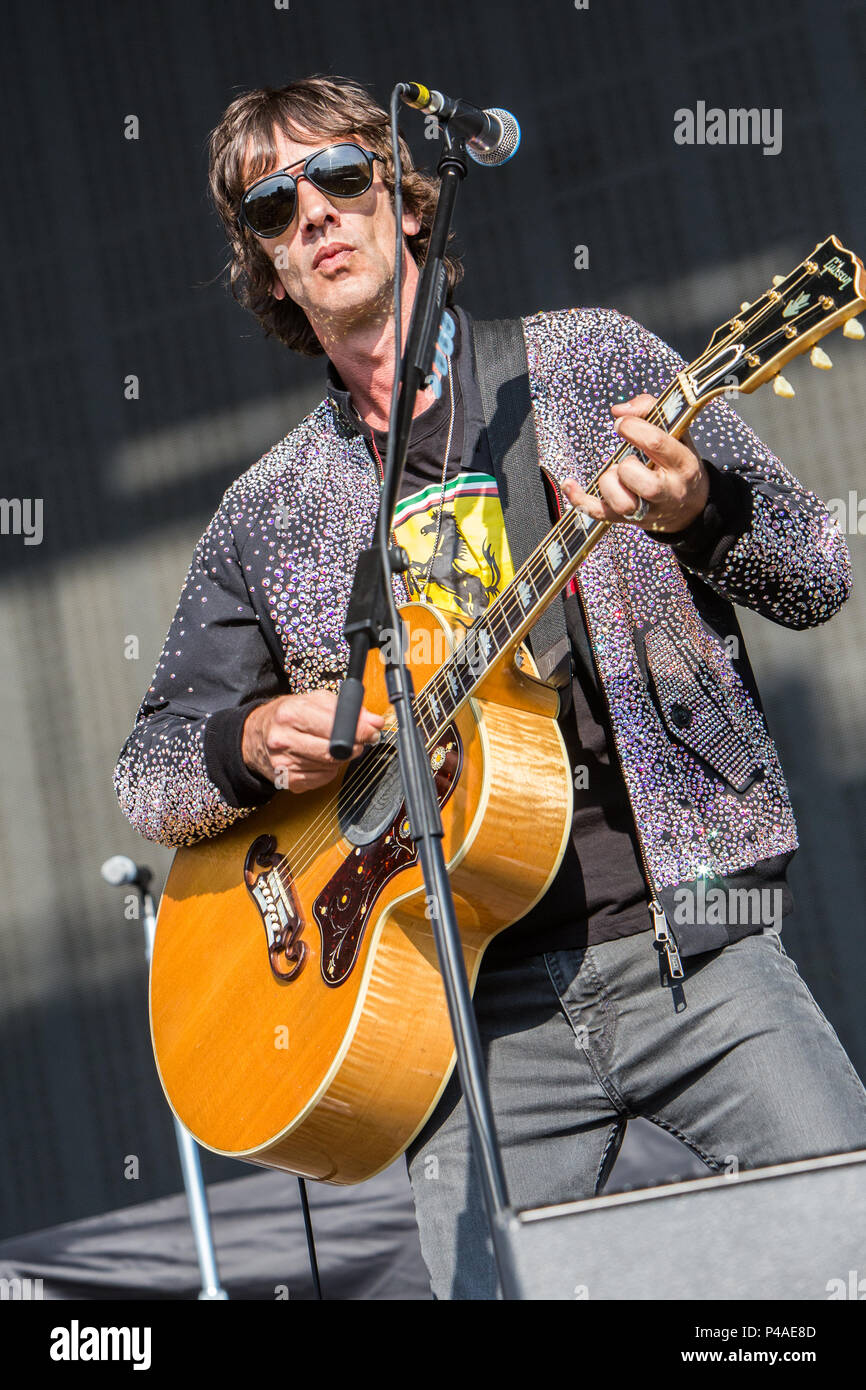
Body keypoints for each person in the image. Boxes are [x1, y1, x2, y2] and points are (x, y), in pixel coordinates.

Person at [114, 76, 866, 1300]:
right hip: (462, 1021)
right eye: (271, 205)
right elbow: (149, 769)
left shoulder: (583, 362)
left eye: (342, 177)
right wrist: (250, 735)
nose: (312, 212)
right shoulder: (268, 509)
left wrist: (693, 509)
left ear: (405, 204)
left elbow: (811, 567)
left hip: (695, 945)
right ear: (269, 268)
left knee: (846, 1257)